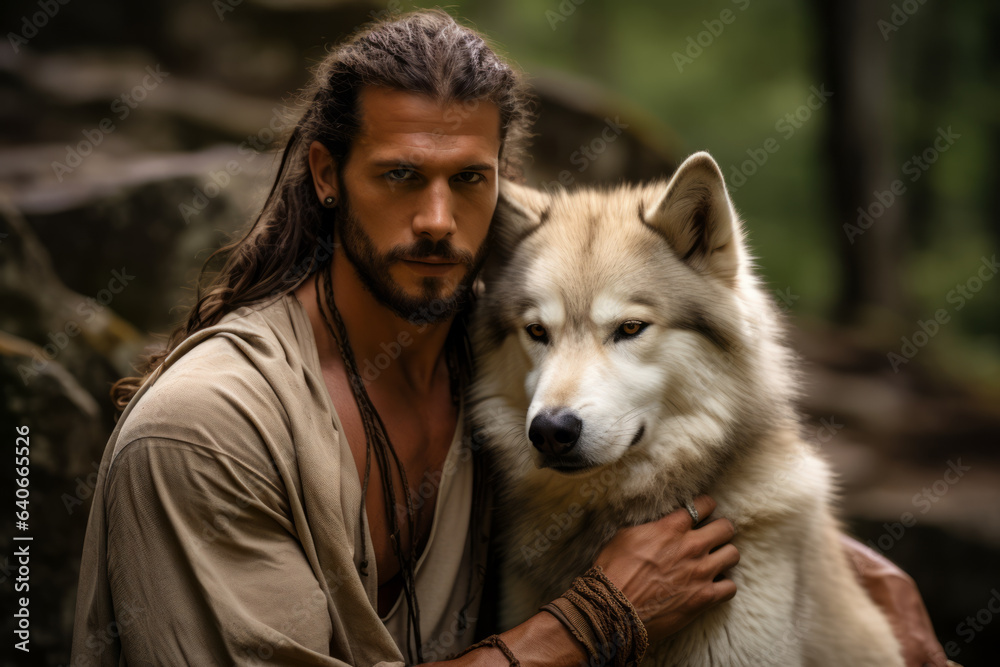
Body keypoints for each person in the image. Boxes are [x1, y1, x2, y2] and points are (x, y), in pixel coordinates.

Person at [71, 9, 948, 667]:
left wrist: (838, 565)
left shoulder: (489, 357)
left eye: (469, 180)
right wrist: (595, 618)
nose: (438, 220)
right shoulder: (204, 432)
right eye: (401, 176)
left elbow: (672, 434)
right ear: (326, 176)